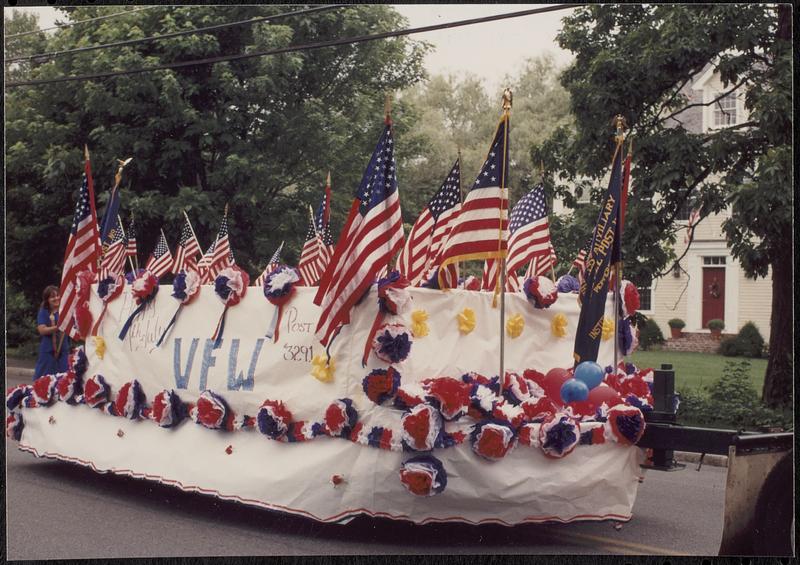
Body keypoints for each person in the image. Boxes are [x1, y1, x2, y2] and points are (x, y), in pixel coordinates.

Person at [33, 285, 70, 379]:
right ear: (47, 299)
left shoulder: (65, 311)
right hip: (48, 351)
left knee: (64, 380)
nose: (56, 298)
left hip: (63, 351)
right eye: (52, 297)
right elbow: (42, 330)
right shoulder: (44, 311)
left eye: (58, 295)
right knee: (45, 380)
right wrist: (58, 327)